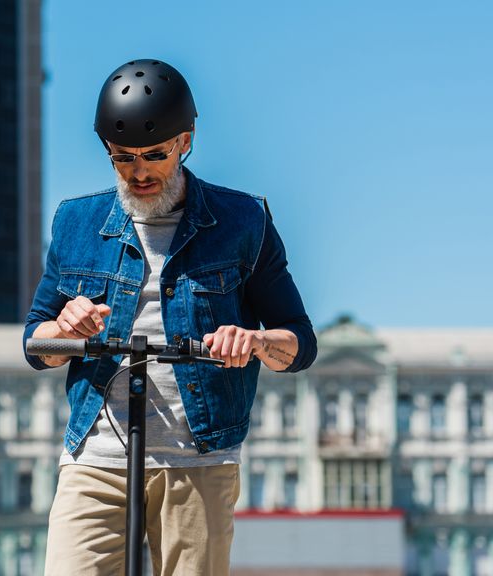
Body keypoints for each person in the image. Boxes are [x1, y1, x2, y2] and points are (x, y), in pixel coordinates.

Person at [22, 59, 317, 575]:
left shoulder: (244, 222)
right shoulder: (77, 222)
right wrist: (64, 329)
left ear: (186, 141)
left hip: (198, 460)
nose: (139, 172)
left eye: (155, 155)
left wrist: (252, 340)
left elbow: (300, 344)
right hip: (95, 461)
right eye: (122, 158)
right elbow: (35, 345)